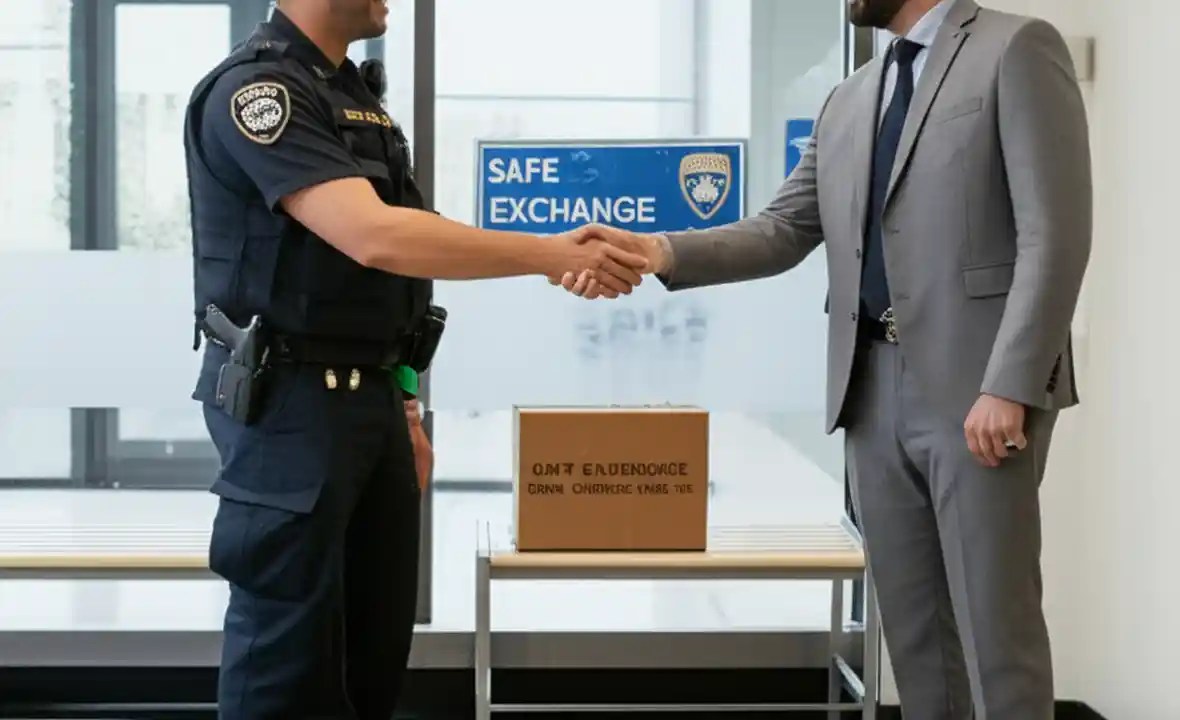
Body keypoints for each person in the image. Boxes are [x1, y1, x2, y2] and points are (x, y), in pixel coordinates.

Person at [558, 0, 1091, 717]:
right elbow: (780, 231)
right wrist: (659, 251)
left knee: (999, 638)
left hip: (978, 396)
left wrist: (1012, 384)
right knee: (917, 645)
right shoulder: (851, 96)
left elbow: (1053, 235)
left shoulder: (1016, 47)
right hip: (870, 394)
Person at [182, 1, 646, 717]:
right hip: (289, 408)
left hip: (369, 404)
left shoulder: (353, 96)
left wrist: (403, 402)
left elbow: (380, 285)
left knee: (372, 654)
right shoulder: (261, 93)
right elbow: (375, 237)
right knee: (287, 663)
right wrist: (552, 255)